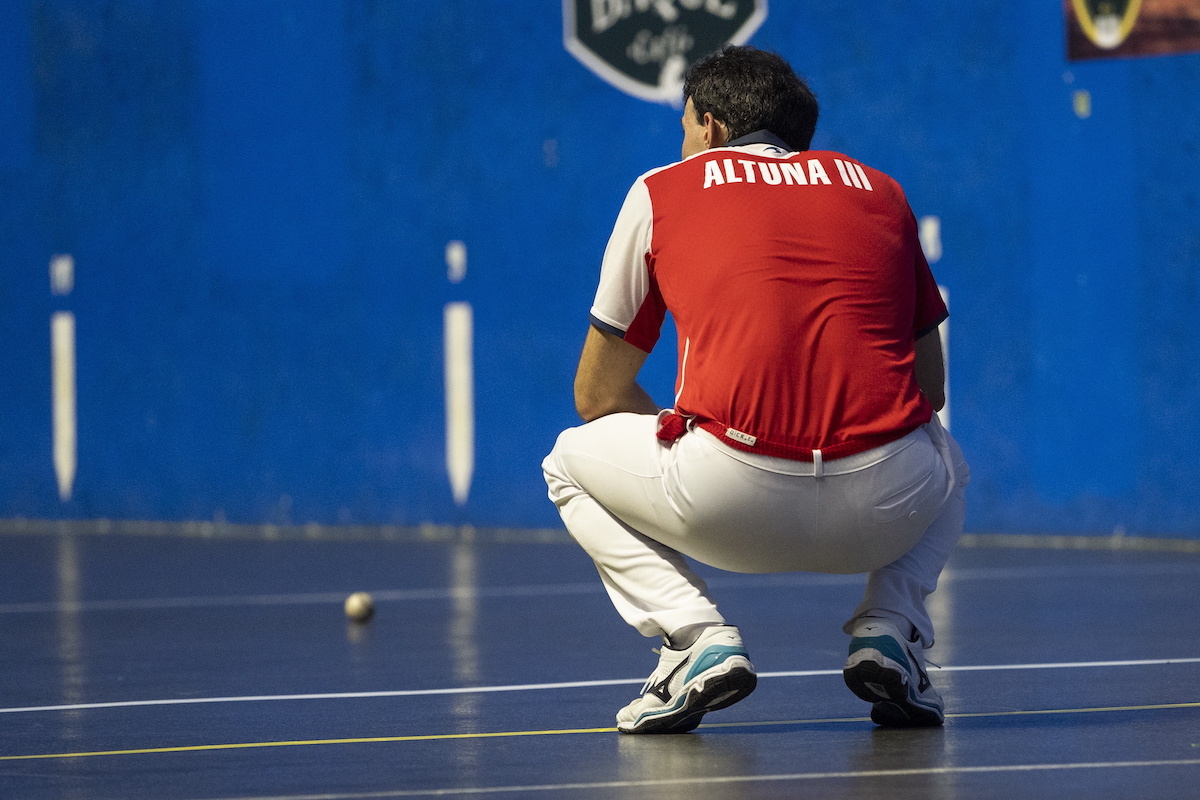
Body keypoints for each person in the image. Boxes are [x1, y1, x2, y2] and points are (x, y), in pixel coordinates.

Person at [542, 45, 969, 734]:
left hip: (727, 499)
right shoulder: (882, 192)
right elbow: (930, 388)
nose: (682, 143)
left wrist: (688, 433)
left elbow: (596, 394)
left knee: (567, 458)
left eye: (685, 127)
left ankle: (693, 639)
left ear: (710, 126)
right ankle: (891, 628)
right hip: (885, 506)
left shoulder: (661, 189)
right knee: (947, 457)